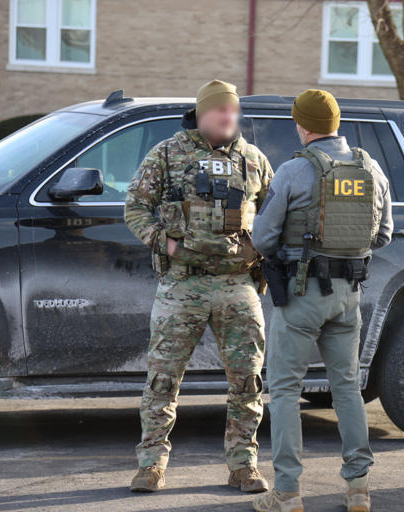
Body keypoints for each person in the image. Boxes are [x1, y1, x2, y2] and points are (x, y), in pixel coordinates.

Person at [125, 79, 273, 493]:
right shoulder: (168, 155)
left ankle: (243, 465)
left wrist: (263, 248)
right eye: (220, 111)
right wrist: (164, 240)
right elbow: (135, 206)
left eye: (233, 111)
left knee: (248, 381)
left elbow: (274, 214)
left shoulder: (253, 160)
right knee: (162, 378)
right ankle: (151, 464)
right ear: (202, 113)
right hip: (182, 284)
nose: (229, 118)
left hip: (236, 284)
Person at [250, 89, 393, 512]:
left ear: (302, 125)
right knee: (347, 388)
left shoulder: (294, 171)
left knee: (286, 391)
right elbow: (382, 236)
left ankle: (289, 492)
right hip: (349, 296)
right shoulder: (371, 169)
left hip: (300, 295)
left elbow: (262, 238)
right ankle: (358, 489)